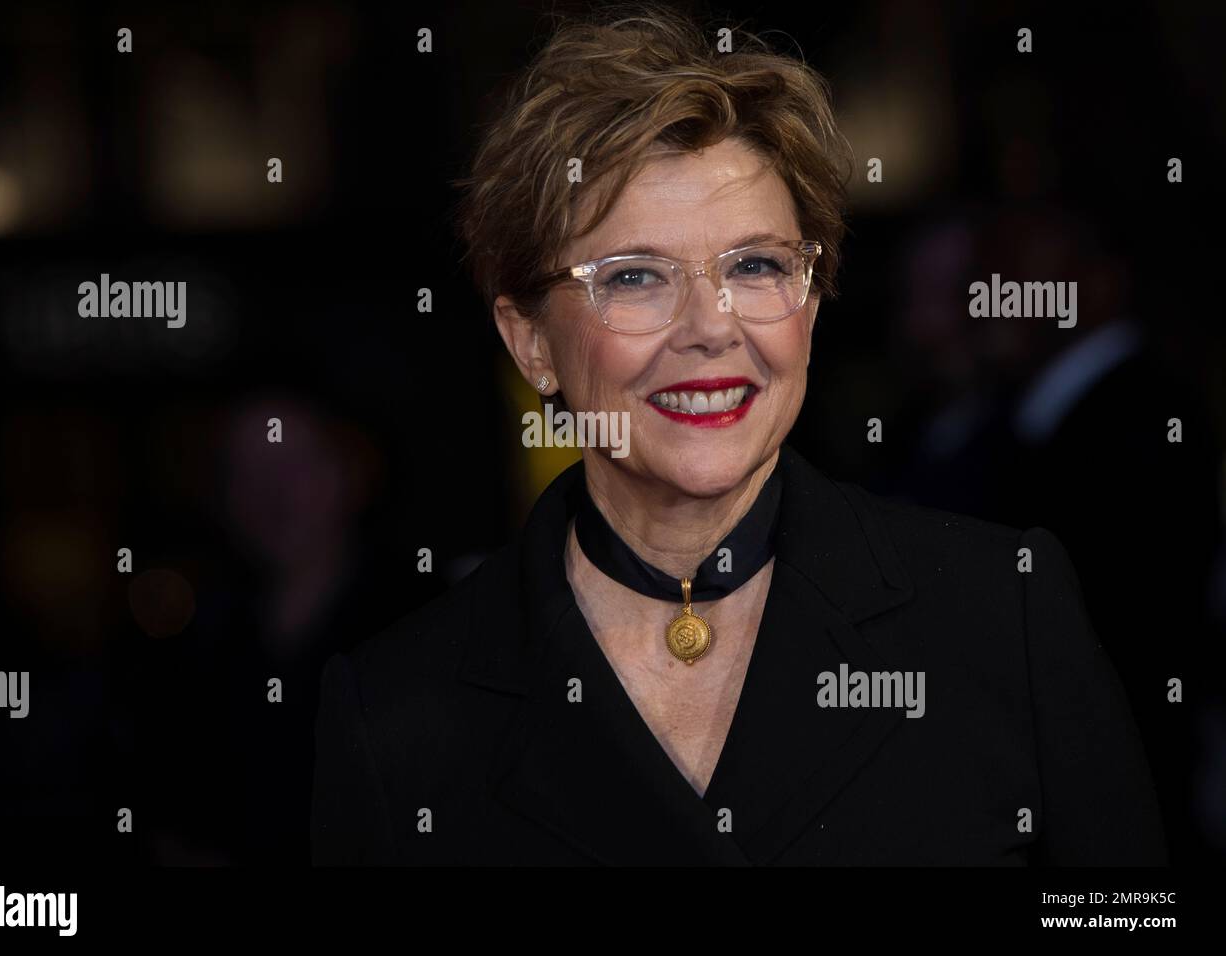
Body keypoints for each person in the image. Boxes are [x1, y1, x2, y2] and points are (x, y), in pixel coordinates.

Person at [311, 3, 1165, 865]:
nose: (710, 328)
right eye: (636, 276)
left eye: (755, 265)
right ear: (531, 341)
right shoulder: (395, 712)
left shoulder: (1001, 617)